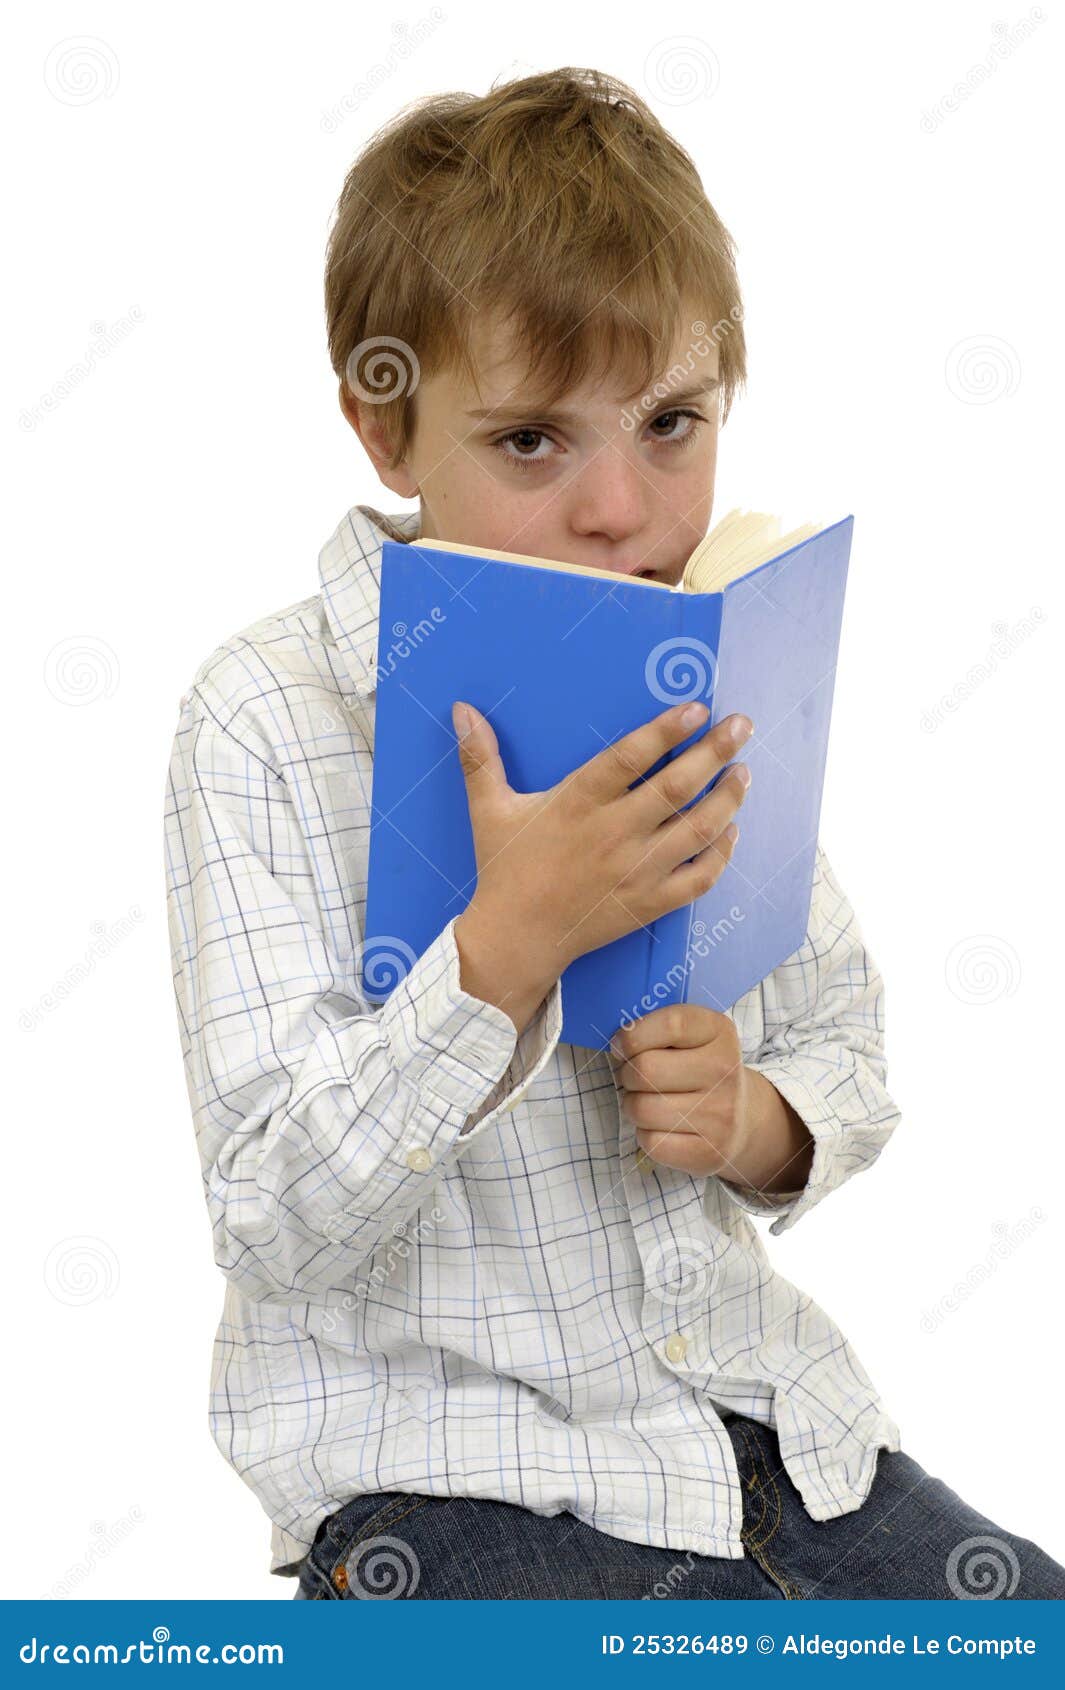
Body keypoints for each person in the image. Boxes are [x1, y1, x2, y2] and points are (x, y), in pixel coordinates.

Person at [163, 66, 1065, 1600]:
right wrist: (506, 946)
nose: (621, 510)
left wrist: (756, 1120)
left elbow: (838, 1022)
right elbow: (270, 1216)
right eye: (530, 442)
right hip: (452, 1483)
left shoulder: (688, 661)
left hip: (762, 1433)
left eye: (669, 423)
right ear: (386, 429)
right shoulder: (267, 714)